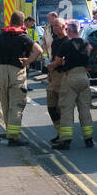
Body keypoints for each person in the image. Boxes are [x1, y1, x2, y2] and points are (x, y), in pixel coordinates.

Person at [0, 11, 42, 146]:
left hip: (2, 70)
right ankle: (14, 137)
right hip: (16, 72)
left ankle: (10, 133)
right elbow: (39, 50)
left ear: (10, 21)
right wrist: (27, 61)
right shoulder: (22, 37)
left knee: (5, 104)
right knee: (17, 105)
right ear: (22, 22)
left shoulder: (0, 37)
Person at [51, 20, 93, 150]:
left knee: (66, 109)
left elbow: (57, 62)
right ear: (79, 30)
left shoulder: (66, 45)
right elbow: (88, 53)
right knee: (85, 109)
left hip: (71, 77)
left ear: (68, 31)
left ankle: (65, 140)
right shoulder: (87, 44)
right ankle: (88, 139)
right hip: (84, 77)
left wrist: (50, 66)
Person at [43, 12, 65, 140]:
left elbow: (61, 62)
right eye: (53, 26)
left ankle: (63, 134)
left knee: (61, 108)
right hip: (53, 75)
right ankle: (59, 132)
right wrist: (49, 72)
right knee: (51, 107)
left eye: (56, 26)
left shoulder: (67, 42)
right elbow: (53, 59)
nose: (54, 28)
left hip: (63, 77)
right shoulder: (56, 42)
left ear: (63, 27)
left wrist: (52, 65)